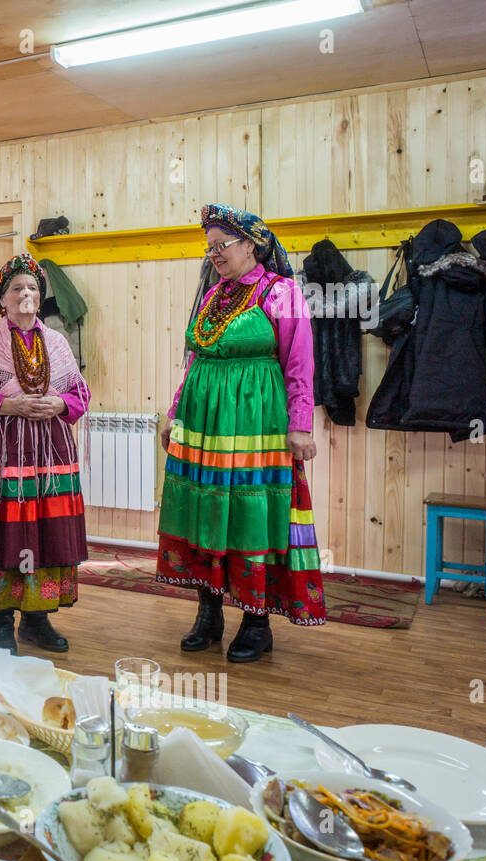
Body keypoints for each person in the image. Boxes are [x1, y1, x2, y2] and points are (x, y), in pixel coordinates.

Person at [157, 203, 326, 663]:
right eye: (209, 247)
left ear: (252, 244)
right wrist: (174, 414)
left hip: (255, 425)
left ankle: (256, 622)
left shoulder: (283, 292)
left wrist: (301, 425)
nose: (214, 254)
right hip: (204, 424)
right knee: (204, 510)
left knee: (252, 515)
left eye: (222, 245)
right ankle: (208, 613)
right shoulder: (213, 295)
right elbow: (194, 361)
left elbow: (300, 365)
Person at [0, 253, 91, 654]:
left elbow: (80, 394)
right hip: (2, 450)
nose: (25, 293)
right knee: (5, 530)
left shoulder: (57, 342)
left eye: (32, 288)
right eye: (16, 289)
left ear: (40, 297)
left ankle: (36, 618)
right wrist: (13, 406)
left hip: (49, 451)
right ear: (2, 301)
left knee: (43, 529)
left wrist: (59, 405)